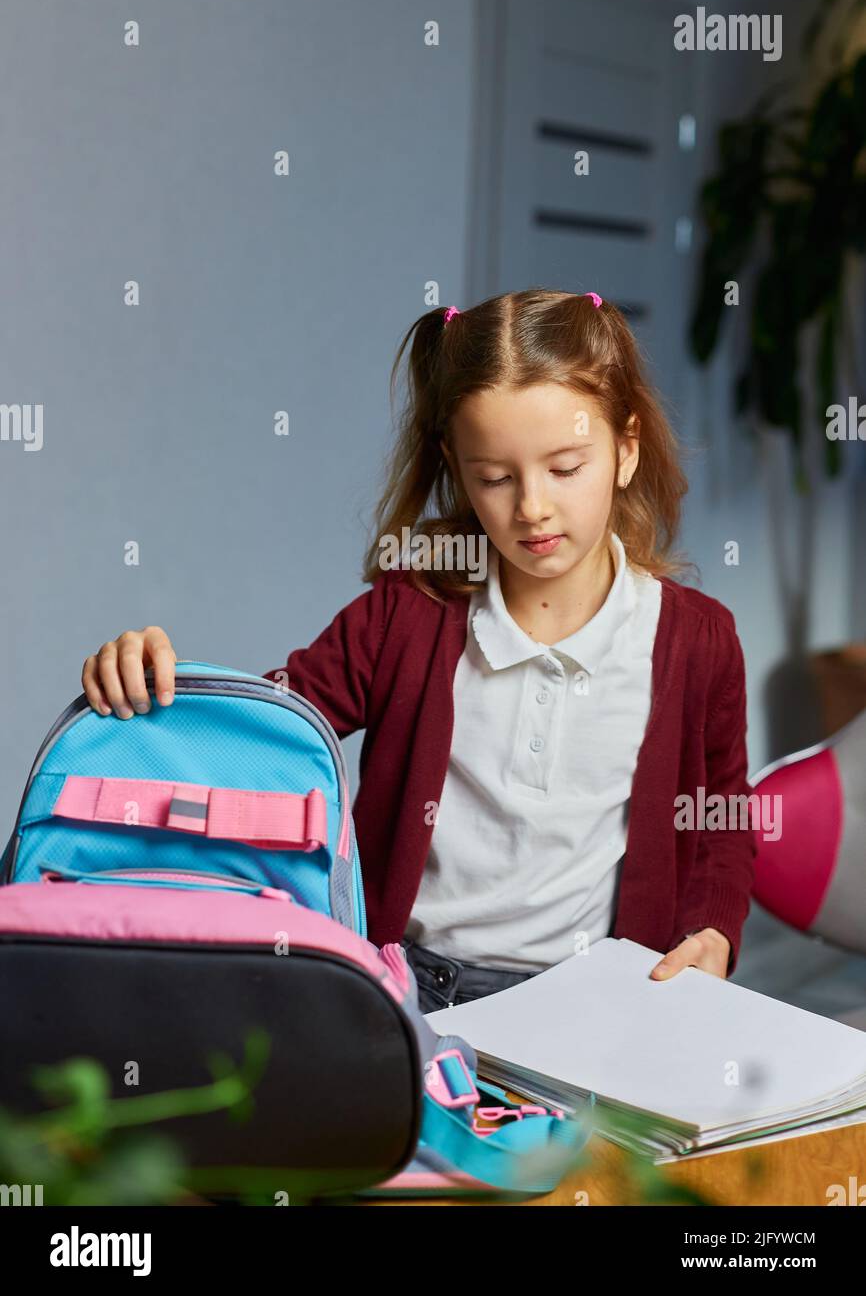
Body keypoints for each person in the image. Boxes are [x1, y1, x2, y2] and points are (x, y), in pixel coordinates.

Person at [81, 289, 757, 1014]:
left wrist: (712, 928)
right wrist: (156, 677)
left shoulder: (696, 638)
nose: (531, 506)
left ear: (625, 452)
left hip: (599, 999)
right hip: (407, 990)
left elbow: (721, 809)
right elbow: (270, 725)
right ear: (456, 468)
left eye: (565, 469)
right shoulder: (407, 614)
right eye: (495, 477)